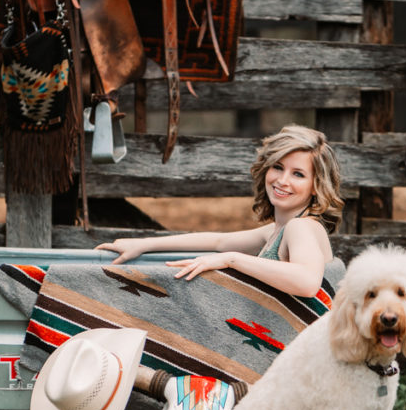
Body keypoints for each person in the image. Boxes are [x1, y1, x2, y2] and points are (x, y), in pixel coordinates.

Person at [97, 124, 345, 300]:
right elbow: (218, 241)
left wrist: (231, 260)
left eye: (298, 174)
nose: (282, 180)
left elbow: (307, 283)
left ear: (316, 186)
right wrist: (143, 245)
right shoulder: (278, 229)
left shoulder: (301, 227)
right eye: (278, 167)